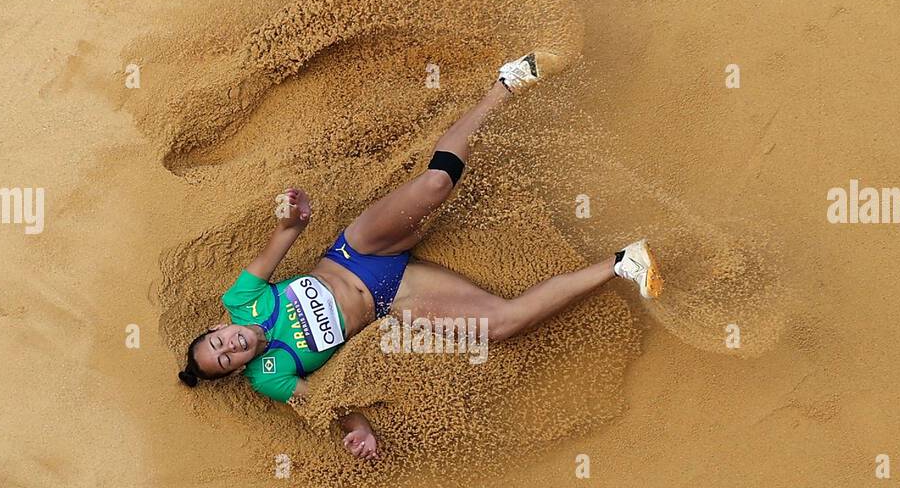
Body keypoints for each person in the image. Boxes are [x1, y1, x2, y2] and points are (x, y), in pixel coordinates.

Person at [178, 53, 664, 461]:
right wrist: (359, 429)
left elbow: (284, 236)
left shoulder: (243, 299)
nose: (231, 348)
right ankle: (623, 263)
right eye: (225, 361)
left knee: (436, 184)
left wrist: (295, 217)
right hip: (394, 299)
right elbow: (328, 402)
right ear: (236, 369)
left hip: (357, 252)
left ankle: (504, 84)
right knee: (501, 325)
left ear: (221, 327)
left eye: (219, 343)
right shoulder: (271, 376)